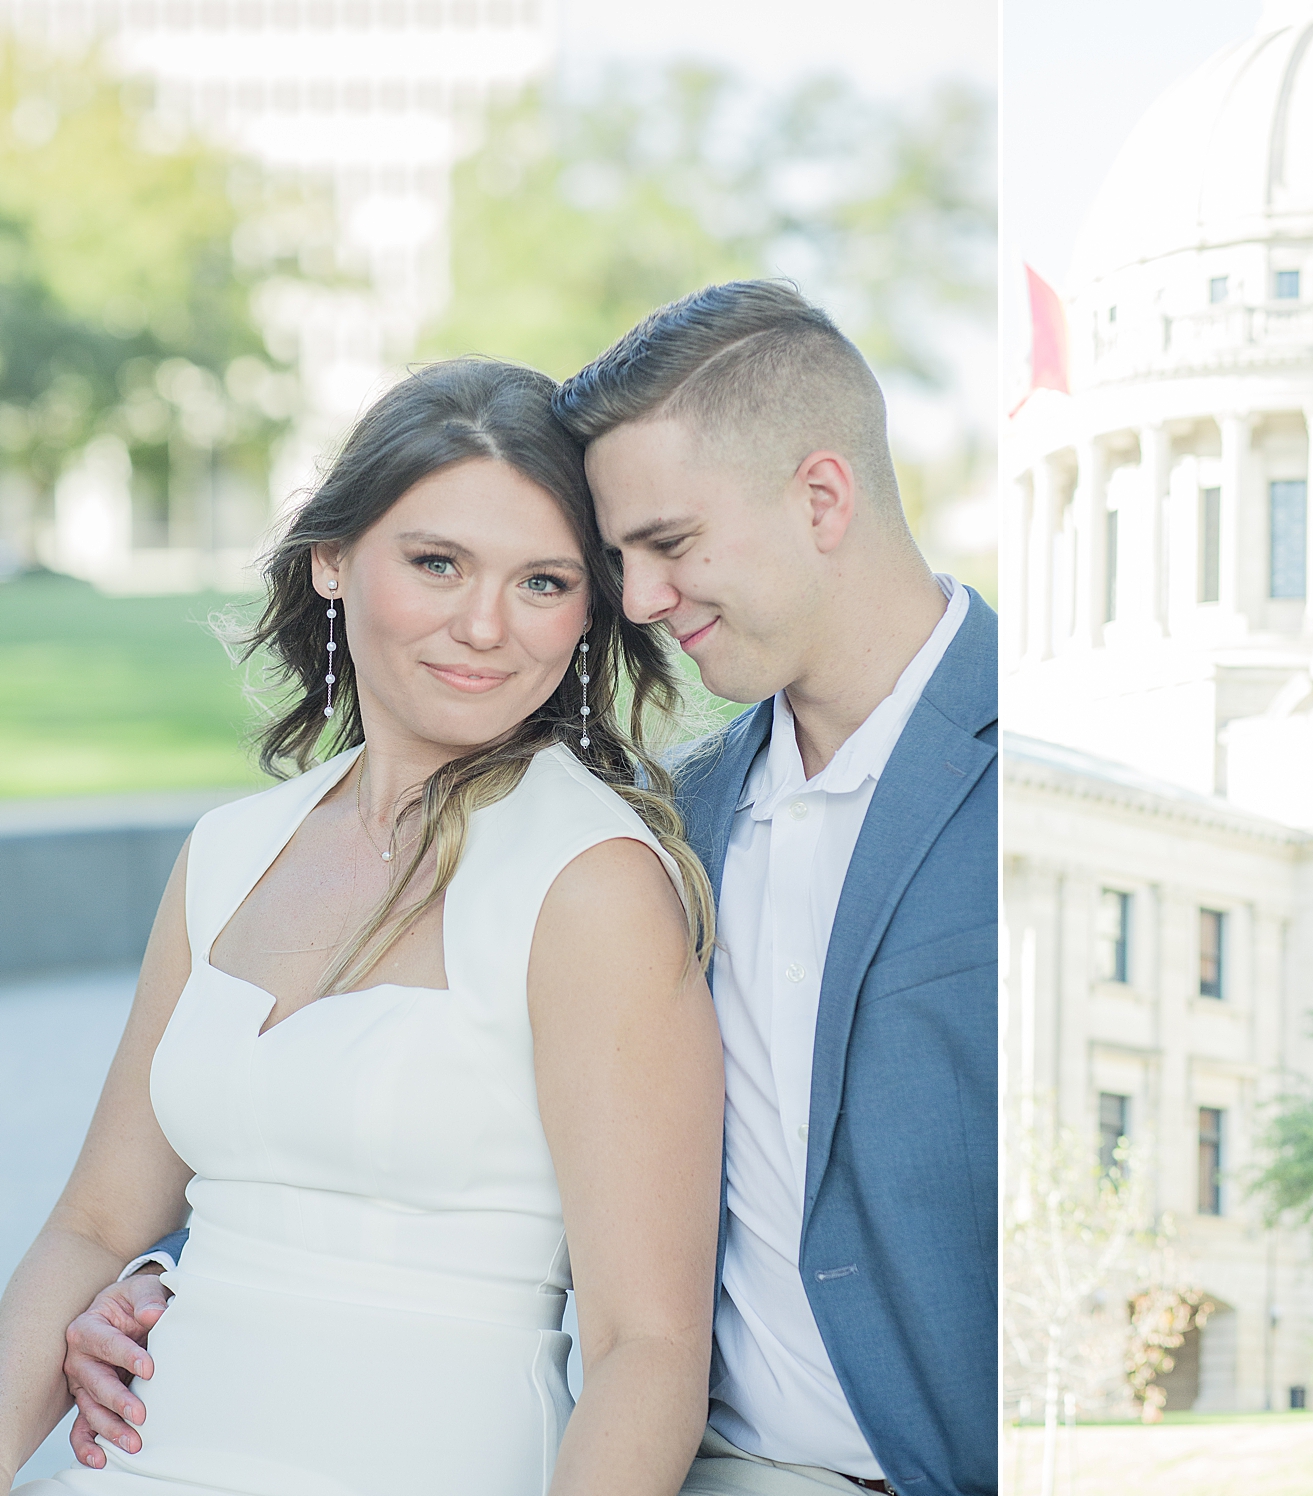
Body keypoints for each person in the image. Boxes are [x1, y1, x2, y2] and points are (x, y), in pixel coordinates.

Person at [62, 282, 998, 1496]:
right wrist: (172, 1275)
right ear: (334, 561)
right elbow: (413, 1117)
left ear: (822, 496)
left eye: (662, 545)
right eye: (618, 563)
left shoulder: (1016, 774)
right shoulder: (684, 817)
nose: (640, 601)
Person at [1, 359, 725, 1494]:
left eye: (542, 581)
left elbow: (650, 1347)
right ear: (331, 560)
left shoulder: (592, 885)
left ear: (589, 609)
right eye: (438, 563)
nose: (483, 626)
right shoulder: (230, 852)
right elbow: (93, 1225)